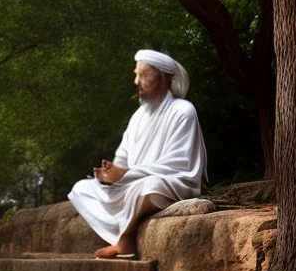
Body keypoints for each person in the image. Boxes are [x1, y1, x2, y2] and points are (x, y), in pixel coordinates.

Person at [68, 50, 206, 259]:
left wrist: (126, 174)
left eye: (143, 75)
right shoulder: (137, 117)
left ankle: (124, 239)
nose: (136, 81)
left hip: (168, 183)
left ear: (163, 77)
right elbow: (122, 158)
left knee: (150, 186)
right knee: (81, 189)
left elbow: (178, 164)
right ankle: (123, 231)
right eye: (136, 74)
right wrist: (110, 174)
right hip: (131, 184)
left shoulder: (183, 111)